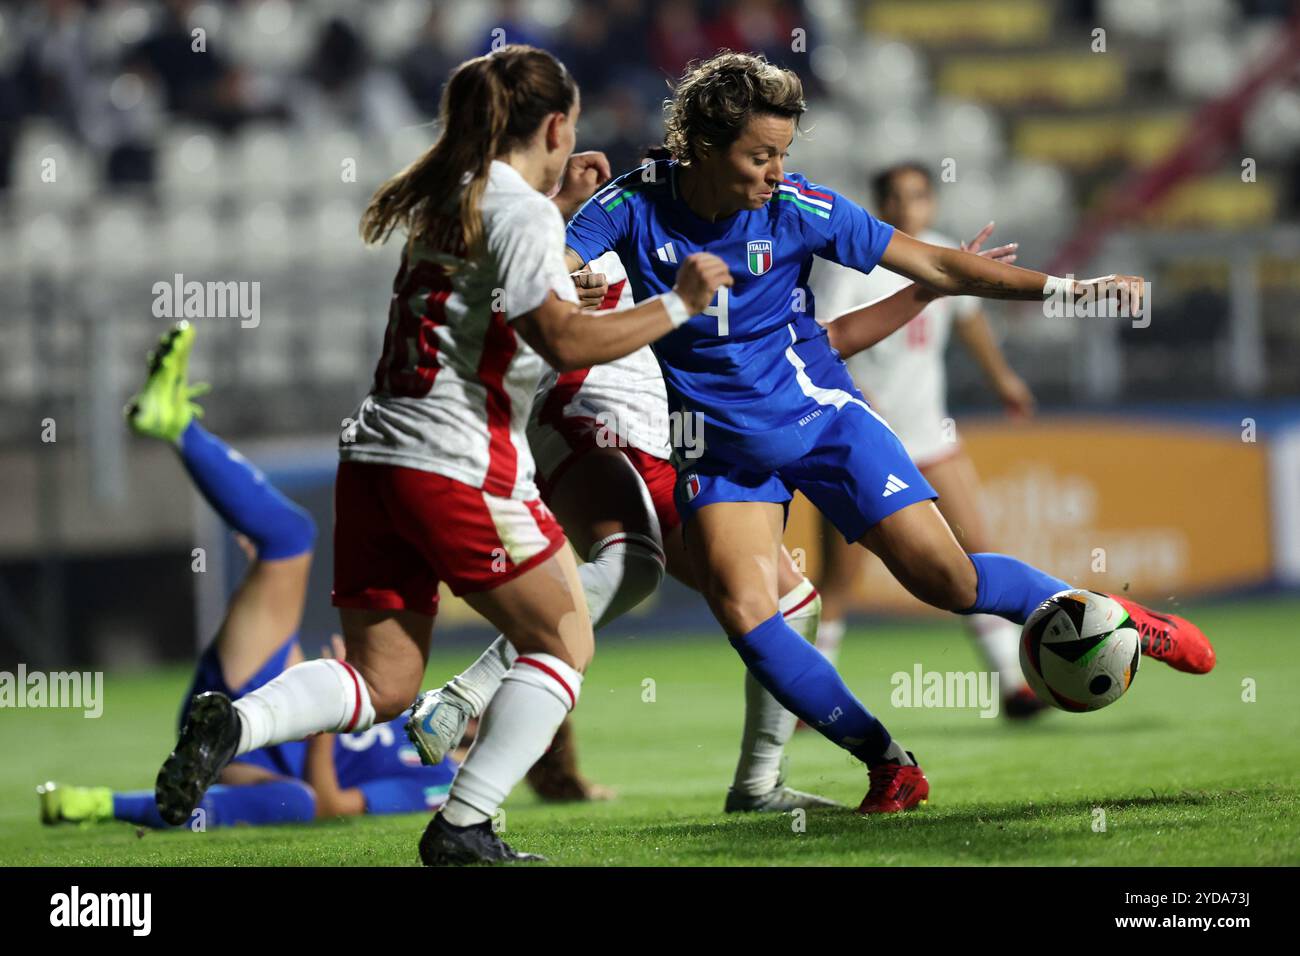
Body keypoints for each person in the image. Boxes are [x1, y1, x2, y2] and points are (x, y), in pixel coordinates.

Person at [558, 51, 1215, 815]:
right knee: (744, 611)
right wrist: (559, 279)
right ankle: (888, 764)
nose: (775, 171)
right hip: (718, 447)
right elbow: (551, 266)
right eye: (759, 155)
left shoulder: (799, 208)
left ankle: (1125, 617)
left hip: (823, 422)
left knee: (950, 584)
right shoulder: (630, 203)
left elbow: (937, 266)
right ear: (704, 146)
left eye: (783, 155)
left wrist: (1075, 292)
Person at [150, 45, 732, 865]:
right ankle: (464, 827)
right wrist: (678, 303)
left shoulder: (449, 202)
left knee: (383, 682)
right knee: (564, 641)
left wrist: (564, 216)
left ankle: (236, 721)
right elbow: (561, 342)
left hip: (375, 456)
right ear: (559, 125)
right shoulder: (521, 215)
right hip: (457, 459)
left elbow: (503, 307)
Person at [409, 147, 1021, 811]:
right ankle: (463, 698)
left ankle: (757, 786)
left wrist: (926, 289)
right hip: (584, 403)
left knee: (790, 602)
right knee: (631, 562)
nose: (756, 182)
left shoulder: (742, 236)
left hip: (672, 430)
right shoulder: (607, 214)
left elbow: (823, 336)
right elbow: (509, 291)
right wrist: (559, 230)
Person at [38, 321, 457, 830]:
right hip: (258, 687)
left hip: (251, 763)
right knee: (285, 541)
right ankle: (176, 424)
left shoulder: (435, 781)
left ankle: (101, 805)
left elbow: (332, 803)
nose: (473, 699)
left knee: (298, 804)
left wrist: (329, 712)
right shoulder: (411, 698)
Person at [810, 162, 1044, 718]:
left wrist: (1003, 379)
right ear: (879, 202)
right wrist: (861, 398)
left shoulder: (942, 253)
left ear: (931, 203)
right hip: (862, 441)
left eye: (917, 195)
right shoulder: (854, 262)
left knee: (979, 555)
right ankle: (811, 697)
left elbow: (968, 320)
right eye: (895, 196)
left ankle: (1013, 685)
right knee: (839, 580)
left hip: (932, 435)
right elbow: (824, 344)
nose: (907, 206)